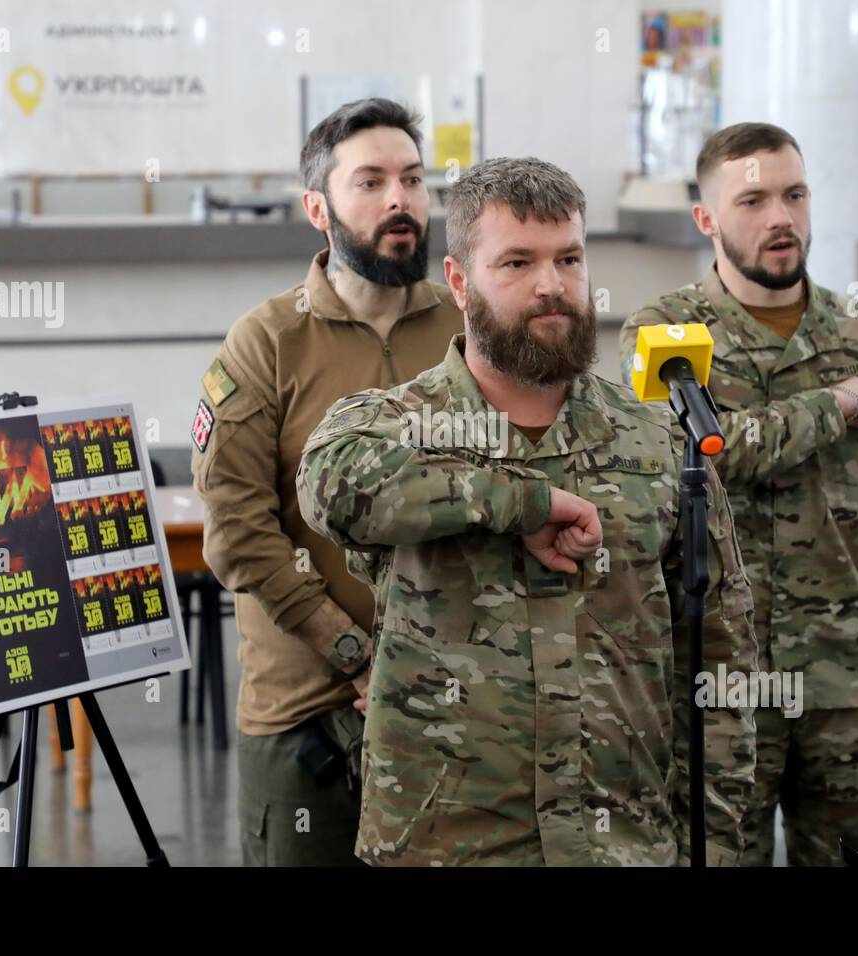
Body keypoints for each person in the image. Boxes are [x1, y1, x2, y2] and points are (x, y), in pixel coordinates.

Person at [297, 156, 758, 866]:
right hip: (446, 848)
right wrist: (520, 504)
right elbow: (329, 485)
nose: (551, 286)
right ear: (458, 281)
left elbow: (721, 659)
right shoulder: (397, 424)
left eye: (568, 258)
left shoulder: (661, 442)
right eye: (516, 263)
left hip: (623, 847)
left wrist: (717, 846)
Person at [620, 122, 858, 866]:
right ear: (706, 219)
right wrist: (832, 406)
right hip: (714, 692)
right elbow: (685, 458)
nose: (781, 218)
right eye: (754, 200)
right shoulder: (662, 332)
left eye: (795, 195)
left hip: (847, 687)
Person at [190, 98, 464, 866]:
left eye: (412, 179)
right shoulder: (266, 343)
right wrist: (351, 650)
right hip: (309, 714)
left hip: (456, 701)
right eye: (370, 182)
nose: (400, 200)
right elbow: (239, 532)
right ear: (318, 208)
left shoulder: (467, 330)